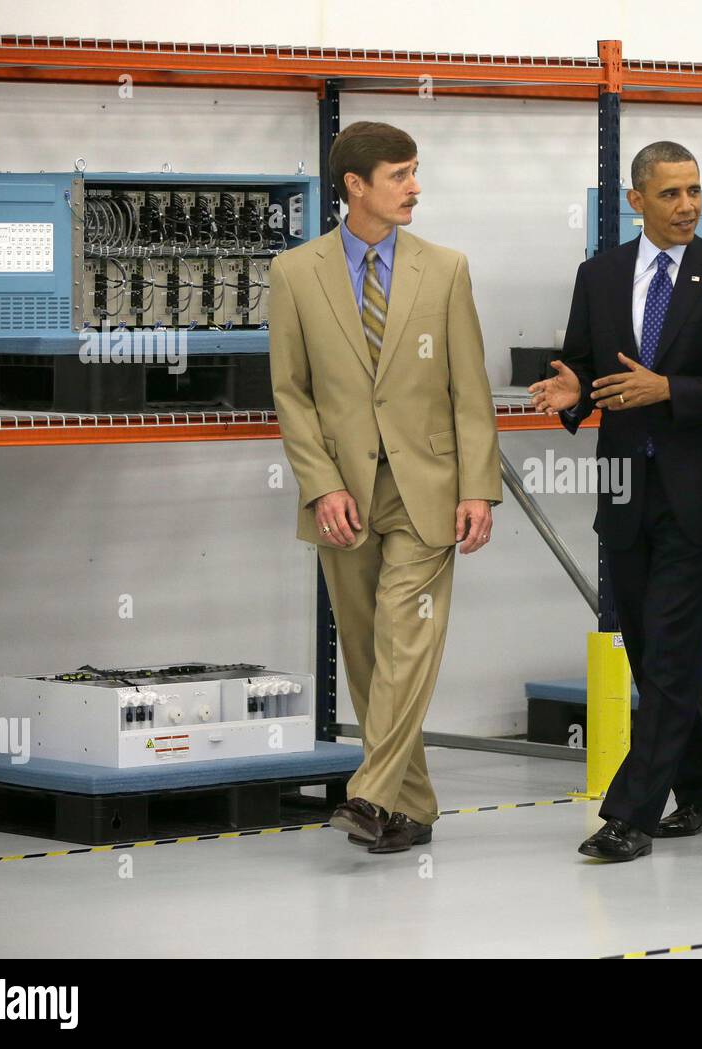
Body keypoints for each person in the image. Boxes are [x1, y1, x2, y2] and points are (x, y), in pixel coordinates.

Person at [530, 141, 702, 861]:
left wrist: (671, 390)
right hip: (626, 492)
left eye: (695, 190)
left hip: (698, 496)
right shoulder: (599, 276)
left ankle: (631, 813)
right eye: (670, 194)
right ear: (636, 200)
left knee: (668, 656)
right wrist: (573, 390)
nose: (688, 206)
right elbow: (582, 361)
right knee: (655, 656)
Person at [269, 121, 501, 855]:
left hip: (427, 487)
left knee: (406, 634)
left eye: (415, 172)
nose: (415, 187)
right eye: (400, 175)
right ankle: (415, 805)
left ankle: (369, 793)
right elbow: (292, 393)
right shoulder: (294, 274)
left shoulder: (447, 268)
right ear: (354, 187)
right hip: (343, 493)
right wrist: (319, 485)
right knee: (369, 652)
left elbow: (470, 387)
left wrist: (478, 487)